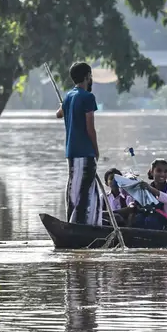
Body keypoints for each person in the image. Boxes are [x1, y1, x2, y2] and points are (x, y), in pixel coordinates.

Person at [56, 62, 102, 226]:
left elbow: (58, 114)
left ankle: (84, 224)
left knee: (76, 190)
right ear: (87, 76)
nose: (91, 79)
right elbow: (90, 128)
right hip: (85, 152)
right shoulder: (87, 97)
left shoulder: (69, 96)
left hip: (71, 152)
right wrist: (96, 151)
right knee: (82, 193)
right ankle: (78, 226)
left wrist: (64, 105)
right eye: (90, 76)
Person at [133, 158, 167, 230]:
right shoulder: (145, 188)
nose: (162, 174)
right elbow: (138, 204)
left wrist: (150, 188)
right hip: (148, 223)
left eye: (165, 171)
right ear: (151, 172)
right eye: (159, 171)